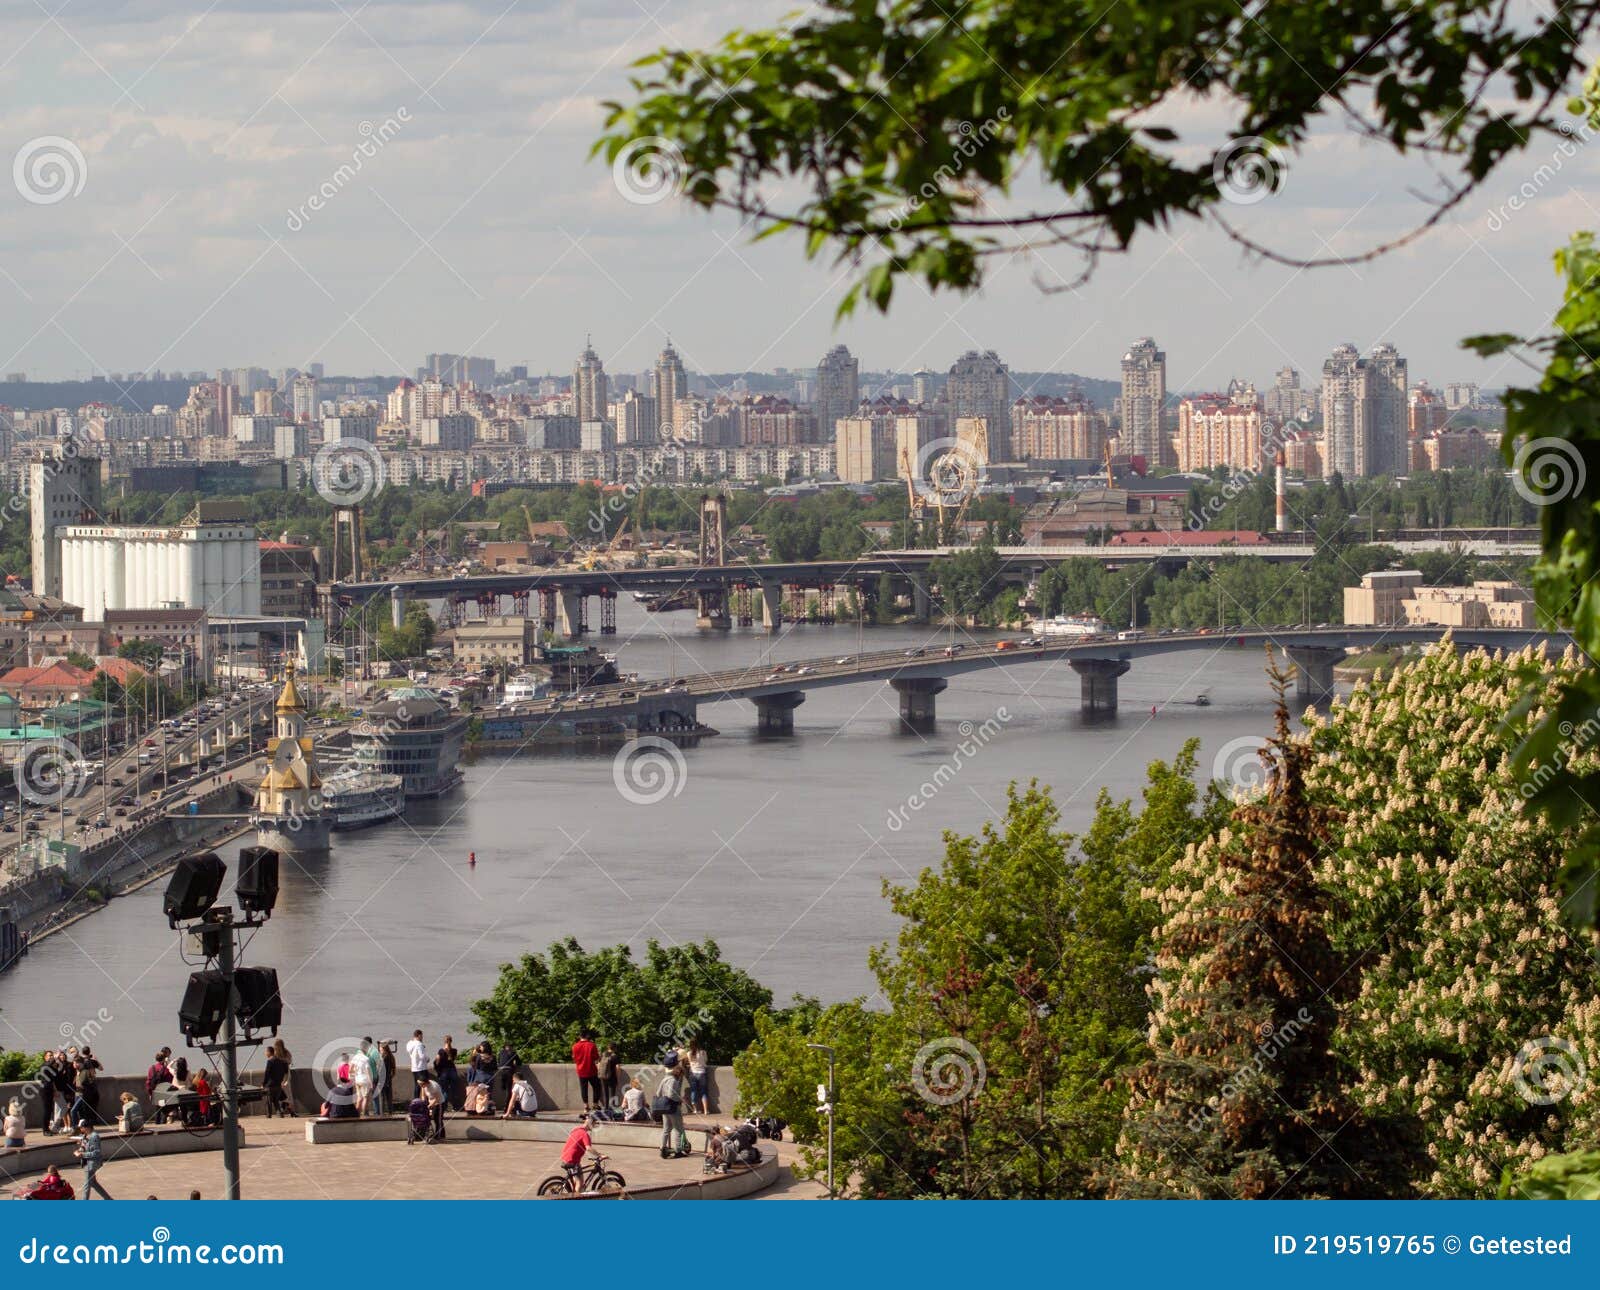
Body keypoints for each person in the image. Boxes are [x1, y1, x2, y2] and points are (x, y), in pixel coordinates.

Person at [655, 1064, 689, 1159]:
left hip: (664, 1107)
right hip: (673, 1108)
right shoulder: (674, 1081)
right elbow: (671, 1095)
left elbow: (658, 1093)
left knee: (666, 1129)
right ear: (679, 1073)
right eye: (682, 1074)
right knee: (678, 1128)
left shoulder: (665, 1079)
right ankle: (678, 1151)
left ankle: (663, 1148)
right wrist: (680, 1099)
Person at [74, 1121, 111, 1200]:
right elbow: (83, 1146)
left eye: (81, 1127)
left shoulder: (94, 1136)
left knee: (86, 1185)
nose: (80, 1129)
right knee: (93, 1183)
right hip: (87, 1163)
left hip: (92, 1163)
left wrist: (82, 1155)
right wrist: (79, 1150)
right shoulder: (85, 1135)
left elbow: (97, 1152)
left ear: (86, 1127)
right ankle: (108, 1199)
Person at [560, 1114, 594, 1192]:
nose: (594, 1127)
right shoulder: (585, 1134)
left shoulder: (576, 1129)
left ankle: (576, 1192)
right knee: (580, 1182)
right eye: (594, 1124)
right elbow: (588, 1148)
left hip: (566, 1157)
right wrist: (600, 1155)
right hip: (571, 1160)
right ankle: (576, 1198)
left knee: (578, 1174)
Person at [571, 1030, 601, 1112]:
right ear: (587, 1036)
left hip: (581, 1070)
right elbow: (596, 1058)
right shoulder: (592, 1045)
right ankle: (595, 1104)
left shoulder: (575, 1046)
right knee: (597, 1087)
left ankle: (586, 1106)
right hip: (591, 1070)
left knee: (584, 1088)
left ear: (580, 1036)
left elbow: (574, 1058)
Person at [263, 1040, 292, 1118]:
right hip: (279, 1083)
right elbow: (286, 1069)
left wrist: (264, 1084)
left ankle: (269, 1116)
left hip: (272, 1084)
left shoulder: (271, 1060)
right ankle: (281, 1113)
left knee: (269, 1101)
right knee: (276, 1100)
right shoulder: (284, 1056)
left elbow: (267, 1073)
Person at [144, 1050, 171, 1122]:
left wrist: (150, 1093)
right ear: (164, 1058)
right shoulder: (166, 1069)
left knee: (157, 1108)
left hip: (155, 1090)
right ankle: (163, 1122)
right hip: (164, 1091)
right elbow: (169, 1081)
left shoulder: (151, 1068)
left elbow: (148, 1082)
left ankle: (157, 1122)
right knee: (164, 1107)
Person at [687, 1041, 710, 1115]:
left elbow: (689, 1062)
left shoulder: (689, 1053)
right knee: (703, 1092)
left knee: (694, 1091)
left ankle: (695, 1110)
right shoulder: (703, 1052)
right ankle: (706, 1110)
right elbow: (706, 1060)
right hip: (702, 1072)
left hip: (693, 1073)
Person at [420, 1074, 445, 1140]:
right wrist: (423, 1103)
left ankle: (438, 1136)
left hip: (438, 1103)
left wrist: (430, 1105)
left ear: (426, 1082)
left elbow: (437, 1098)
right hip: (430, 1102)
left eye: (421, 1084)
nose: (421, 1086)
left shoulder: (434, 1086)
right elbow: (423, 1095)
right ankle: (442, 1135)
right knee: (430, 1118)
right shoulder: (423, 1086)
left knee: (438, 1120)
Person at [349, 1047, 373, 1118]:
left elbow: (350, 1070)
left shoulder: (355, 1057)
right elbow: (368, 1071)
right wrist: (371, 1082)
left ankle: (357, 1114)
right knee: (365, 1097)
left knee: (359, 1098)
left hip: (357, 1080)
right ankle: (364, 1114)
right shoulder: (366, 1058)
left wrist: (355, 1072)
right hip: (364, 1080)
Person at [597, 1043, 621, 1111]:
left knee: (605, 1093)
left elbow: (598, 1064)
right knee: (612, 1093)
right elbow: (617, 1067)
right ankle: (611, 1108)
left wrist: (600, 1073)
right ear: (615, 1048)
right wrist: (618, 1078)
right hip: (612, 1076)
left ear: (608, 1047)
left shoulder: (603, 1054)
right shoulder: (615, 1056)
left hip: (602, 1076)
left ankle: (605, 1108)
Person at [406, 1030, 429, 1098]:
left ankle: (415, 1100)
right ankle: (423, 1102)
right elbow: (422, 1056)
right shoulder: (419, 1044)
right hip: (421, 1068)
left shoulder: (410, 1044)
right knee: (424, 1086)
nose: (422, 1038)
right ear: (419, 1035)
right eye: (422, 1036)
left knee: (417, 1086)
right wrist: (428, 1058)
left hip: (414, 1068)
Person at [380, 1041, 397, 1114]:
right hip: (388, 1078)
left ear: (383, 1048)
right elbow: (393, 1069)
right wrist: (390, 1077)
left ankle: (382, 1112)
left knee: (382, 1097)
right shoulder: (391, 1056)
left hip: (383, 1079)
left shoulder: (384, 1057)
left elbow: (381, 1069)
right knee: (389, 1096)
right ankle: (390, 1111)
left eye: (380, 1047)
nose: (380, 1049)